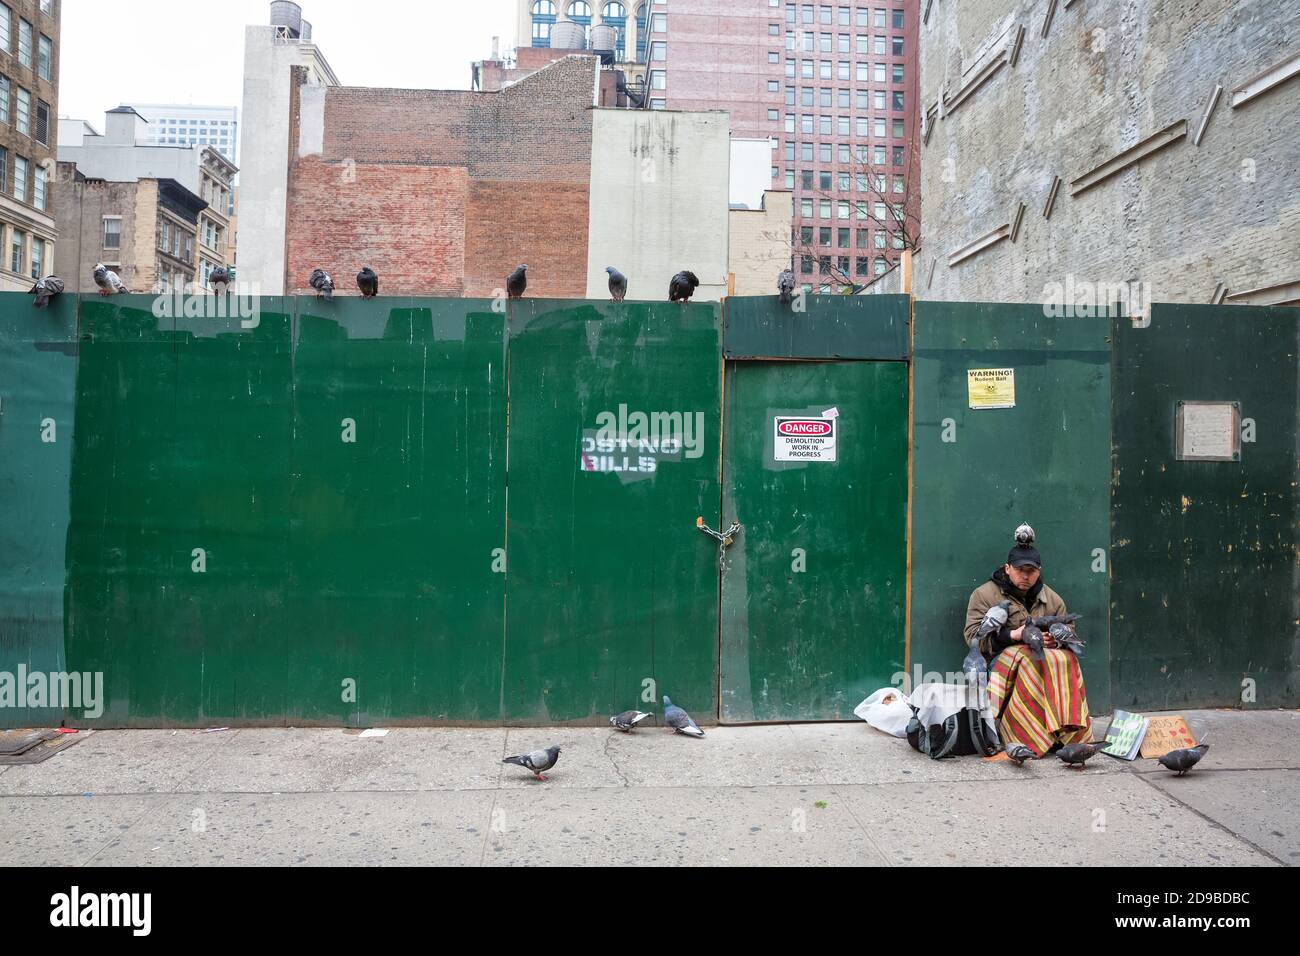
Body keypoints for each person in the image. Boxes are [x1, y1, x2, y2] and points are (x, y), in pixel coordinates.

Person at [963, 526, 1093, 757]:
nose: (1025, 576)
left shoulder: (1052, 599)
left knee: (1067, 660)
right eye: (1019, 570)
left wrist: (1055, 642)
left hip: (1043, 660)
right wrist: (1013, 635)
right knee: (1029, 661)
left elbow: (1069, 631)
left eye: (1031, 571)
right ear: (1007, 569)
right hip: (998, 664)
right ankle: (1024, 736)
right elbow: (973, 636)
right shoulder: (984, 595)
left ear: (1038, 571)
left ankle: (1066, 732)